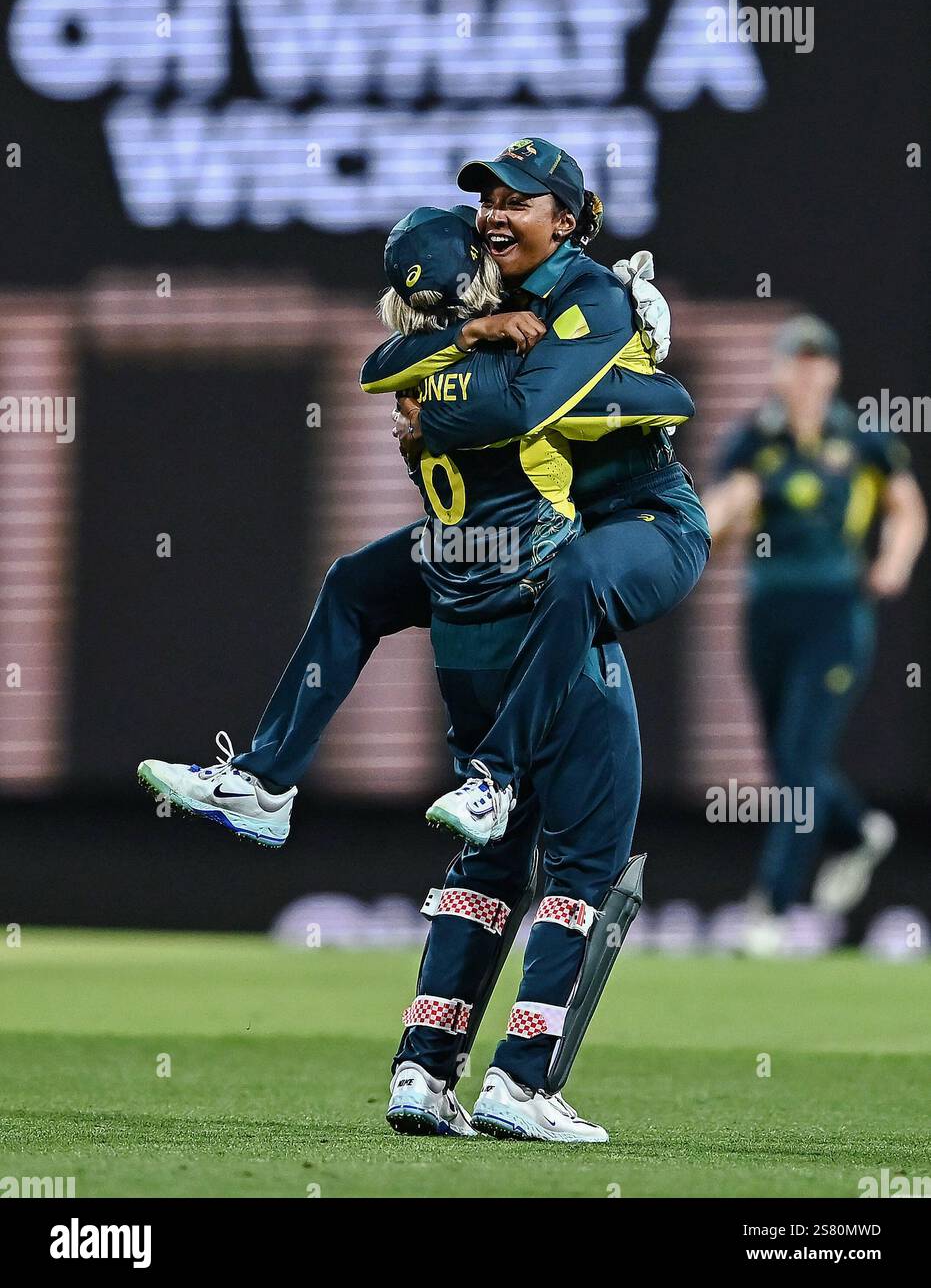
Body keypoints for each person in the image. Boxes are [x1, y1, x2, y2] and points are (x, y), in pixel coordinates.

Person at [137, 139, 709, 847]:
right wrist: (470, 333)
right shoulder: (495, 293)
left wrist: (432, 415)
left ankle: (494, 781)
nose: (492, 217)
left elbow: (525, 410)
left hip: (643, 516)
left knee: (578, 577)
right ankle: (264, 784)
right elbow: (380, 366)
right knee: (354, 584)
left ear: (563, 222)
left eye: (515, 202)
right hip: (538, 520)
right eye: (487, 201)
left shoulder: (590, 294)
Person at [369, 207, 669, 1141]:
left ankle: (422, 1071)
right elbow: (639, 413)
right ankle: (520, 1079)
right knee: (588, 860)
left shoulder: (423, 367)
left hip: (468, 634)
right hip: (554, 624)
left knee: (487, 861)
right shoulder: (528, 354)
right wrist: (642, 339)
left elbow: (418, 404)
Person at [703, 315, 926, 955]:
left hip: (835, 612)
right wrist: (708, 530)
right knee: (787, 761)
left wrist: (894, 561)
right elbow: (728, 508)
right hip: (768, 612)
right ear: (777, 371)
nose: (805, 376)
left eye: (817, 363)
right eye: (795, 363)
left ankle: (771, 908)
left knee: (800, 763)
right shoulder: (753, 440)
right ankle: (857, 830)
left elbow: (906, 508)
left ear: (832, 371)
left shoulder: (861, 439)